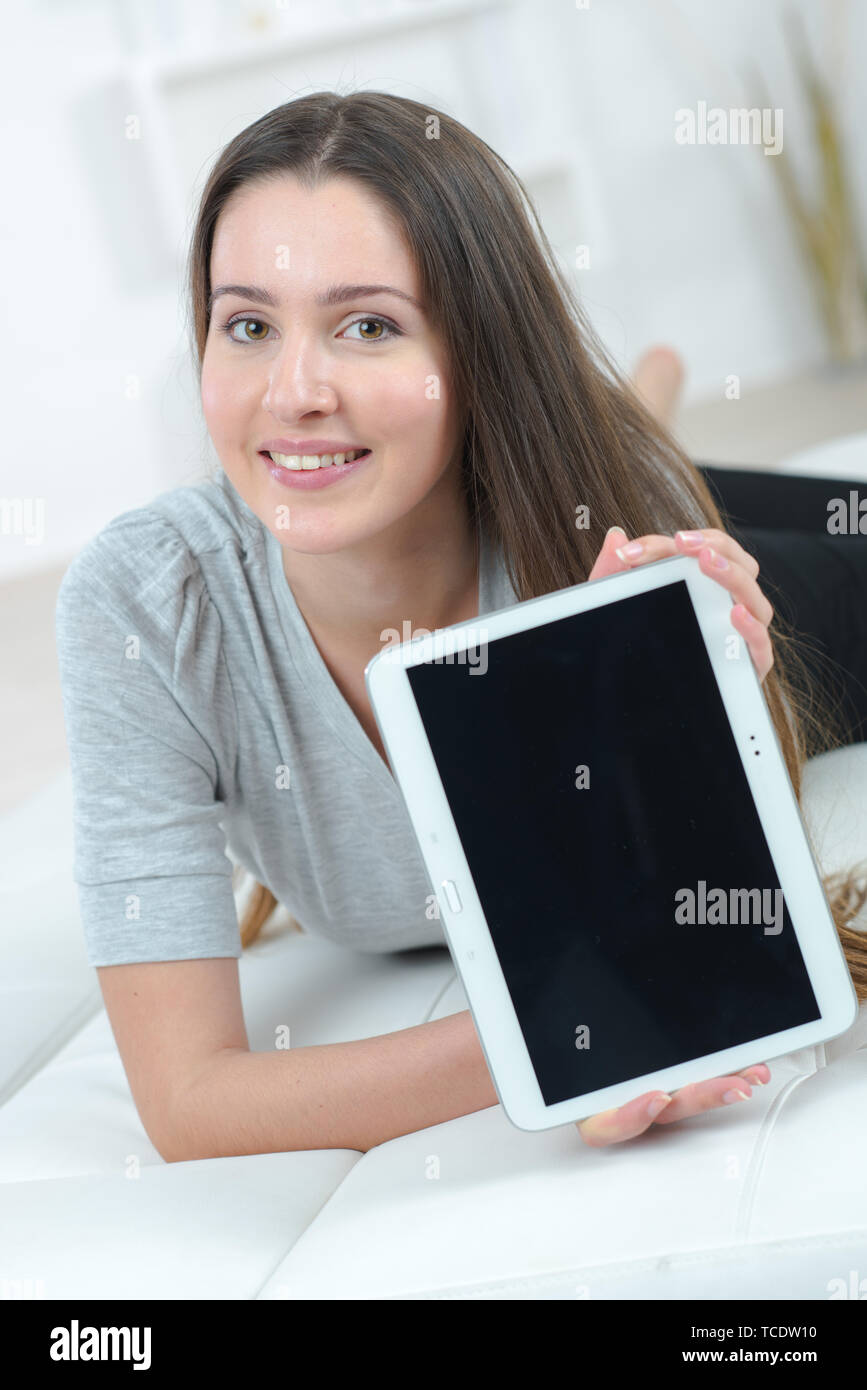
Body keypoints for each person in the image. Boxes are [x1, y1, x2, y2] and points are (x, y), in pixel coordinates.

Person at [55, 91, 867, 1163]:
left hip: (633, 515)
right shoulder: (144, 605)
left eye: (369, 325)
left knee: (691, 498)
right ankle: (649, 401)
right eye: (247, 323)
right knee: (644, 465)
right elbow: (190, 1101)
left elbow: (697, 929)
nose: (292, 391)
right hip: (547, 478)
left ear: (481, 352)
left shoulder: (611, 573)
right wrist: (570, 1037)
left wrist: (689, 733)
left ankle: (649, 421)